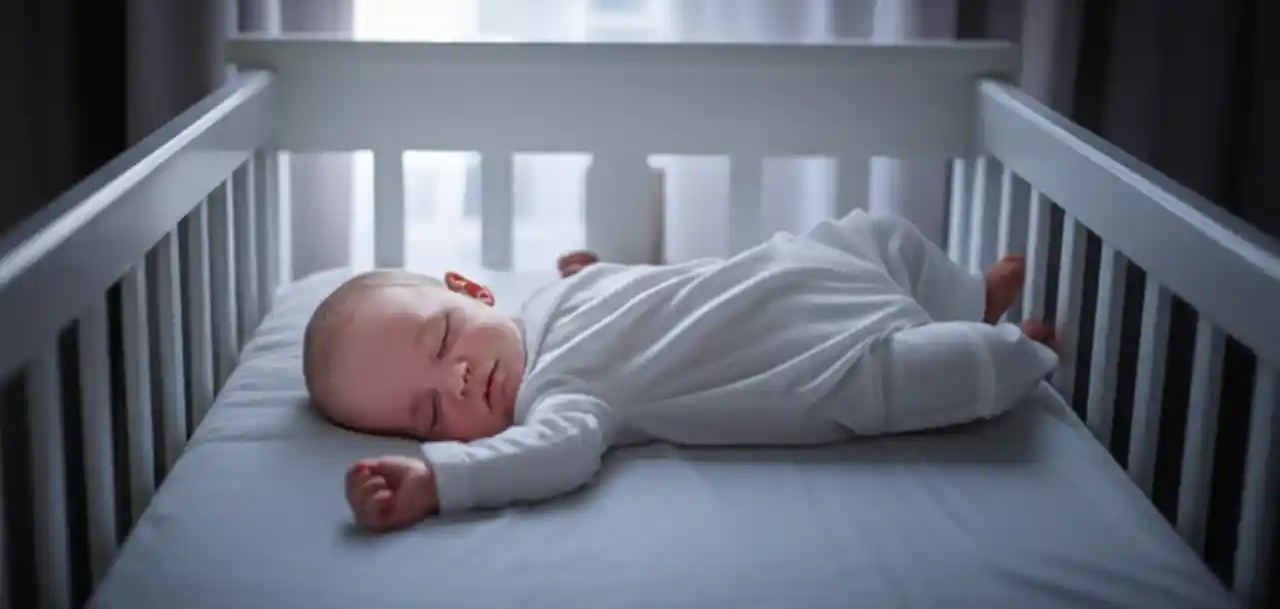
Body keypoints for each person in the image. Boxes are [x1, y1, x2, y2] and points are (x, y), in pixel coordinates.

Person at [301, 210, 1058, 532]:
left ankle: (968, 294)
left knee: (877, 235)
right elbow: (552, 459)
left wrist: (596, 270)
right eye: (432, 413)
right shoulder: (559, 399)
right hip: (814, 366)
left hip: (796, 271)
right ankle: (1016, 352)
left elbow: (641, 291)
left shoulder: (552, 297)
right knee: (926, 375)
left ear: (470, 289)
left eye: (443, 343)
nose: (458, 382)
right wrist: (442, 480)